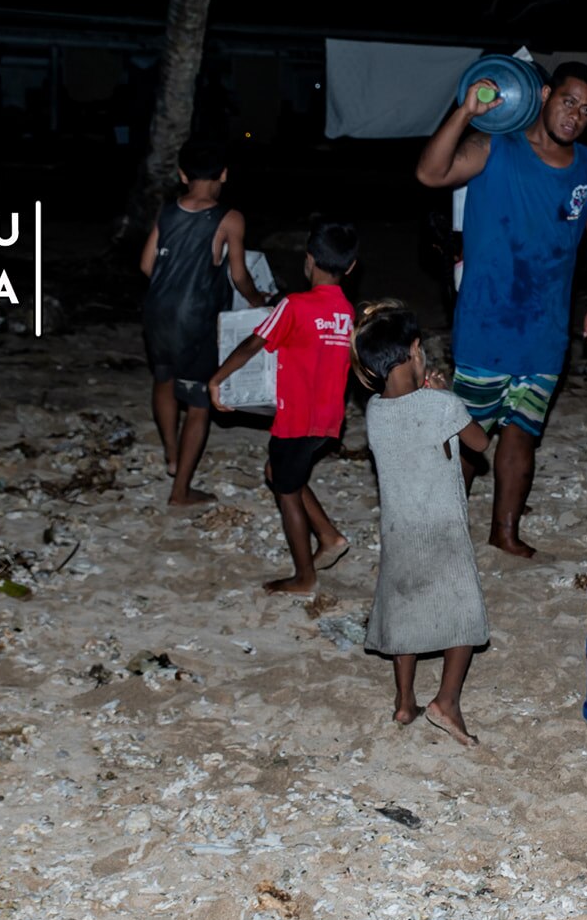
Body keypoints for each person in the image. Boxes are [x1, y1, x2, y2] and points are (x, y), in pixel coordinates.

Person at [415, 61, 587, 558]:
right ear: (545, 94)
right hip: (487, 324)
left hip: (546, 331)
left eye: (586, 109)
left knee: (523, 435)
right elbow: (430, 172)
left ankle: (504, 532)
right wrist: (466, 111)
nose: (575, 115)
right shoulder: (496, 147)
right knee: (468, 436)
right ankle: (445, 528)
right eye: (568, 101)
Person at [352, 301, 491, 746]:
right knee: (463, 613)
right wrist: (445, 394)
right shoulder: (442, 406)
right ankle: (446, 700)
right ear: (415, 351)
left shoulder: (374, 412)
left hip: (399, 531)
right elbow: (479, 442)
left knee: (404, 612)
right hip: (443, 530)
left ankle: (404, 700)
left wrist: (433, 398)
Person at [211, 221, 358, 595]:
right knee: (280, 471)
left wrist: (217, 379)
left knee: (286, 490)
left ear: (308, 260)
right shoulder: (348, 313)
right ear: (351, 267)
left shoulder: (294, 305)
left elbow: (253, 343)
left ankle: (304, 575)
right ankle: (329, 536)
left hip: (295, 418)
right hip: (328, 420)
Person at [139, 137, 268, 507]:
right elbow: (239, 275)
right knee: (199, 402)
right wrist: (260, 300)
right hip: (196, 316)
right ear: (224, 175)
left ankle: (171, 455)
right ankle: (180, 492)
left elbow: (147, 265)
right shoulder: (229, 217)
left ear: (182, 174)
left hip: (157, 309)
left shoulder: (166, 211)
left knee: (163, 376)